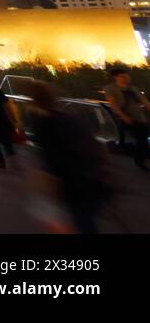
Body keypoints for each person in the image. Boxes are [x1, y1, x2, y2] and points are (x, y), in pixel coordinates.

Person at [22, 80, 111, 233]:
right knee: (86, 219)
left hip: (72, 181)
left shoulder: (43, 125)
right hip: (91, 176)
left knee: (81, 221)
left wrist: (44, 183)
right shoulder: (68, 118)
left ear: (32, 101)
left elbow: (50, 158)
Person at [105, 68, 150, 170]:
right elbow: (113, 105)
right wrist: (123, 117)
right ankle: (139, 160)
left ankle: (139, 157)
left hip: (139, 117)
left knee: (143, 137)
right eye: (123, 77)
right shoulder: (111, 88)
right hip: (125, 118)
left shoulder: (132, 89)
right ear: (115, 77)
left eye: (127, 76)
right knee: (141, 138)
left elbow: (144, 101)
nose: (126, 78)